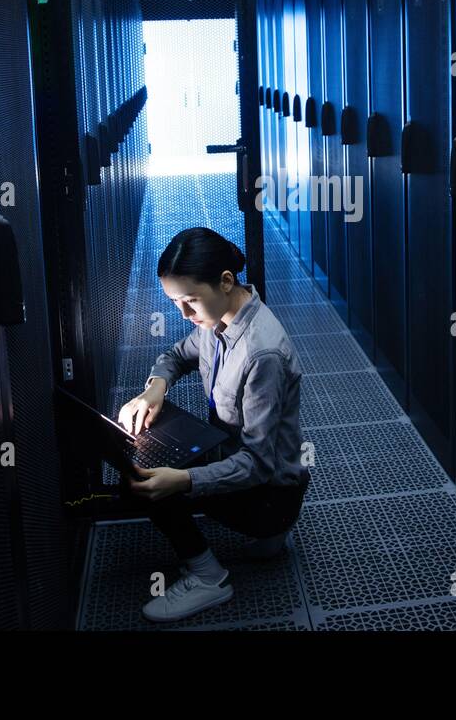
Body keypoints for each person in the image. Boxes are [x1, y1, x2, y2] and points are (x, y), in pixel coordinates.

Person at [117, 226, 310, 623]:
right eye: (174, 303)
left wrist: (181, 481)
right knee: (151, 435)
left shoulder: (262, 354)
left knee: (144, 481)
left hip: (270, 492)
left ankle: (209, 578)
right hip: (241, 461)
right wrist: (154, 388)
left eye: (189, 301)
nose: (184, 314)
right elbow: (176, 354)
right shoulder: (220, 316)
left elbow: (258, 464)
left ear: (226, 281)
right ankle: (269, 538)